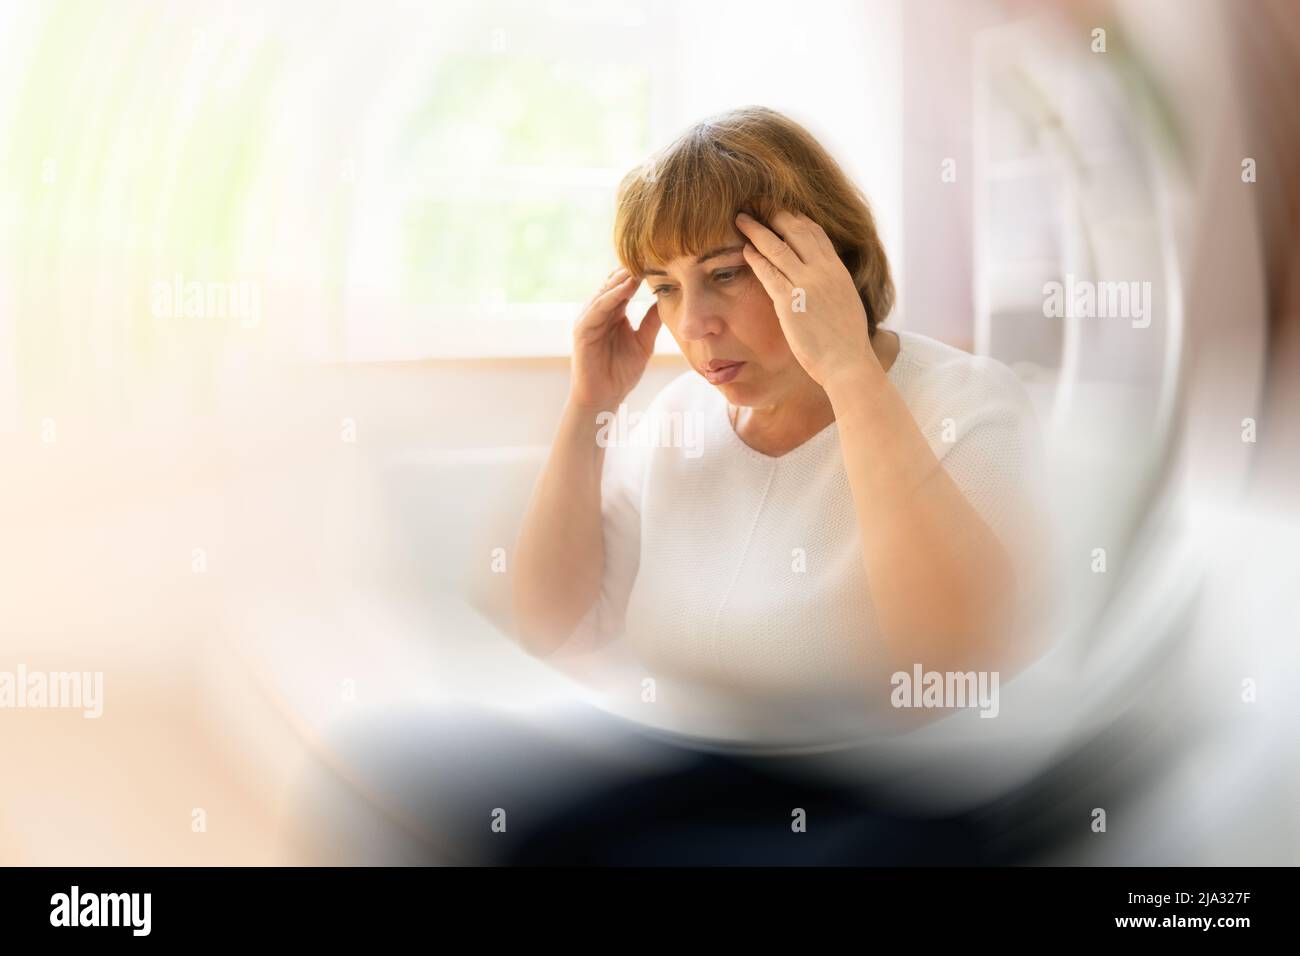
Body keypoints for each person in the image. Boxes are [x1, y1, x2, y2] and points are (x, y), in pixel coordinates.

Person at [512, 105, 1048, 745]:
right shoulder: (678, 417)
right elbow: (549, 628)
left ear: (828, 261)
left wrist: (848, 369)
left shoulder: (967, 403)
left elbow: (954, 665)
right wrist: (588, 408)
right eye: (666, 288)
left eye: (725, 274)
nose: (692, 325)